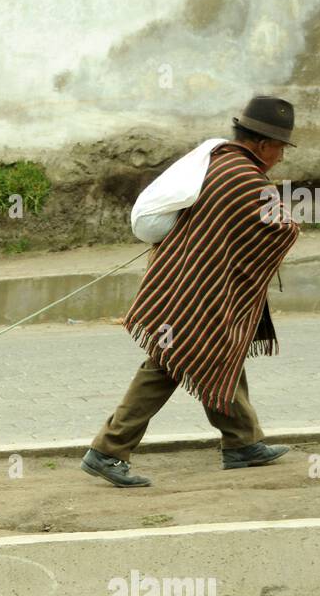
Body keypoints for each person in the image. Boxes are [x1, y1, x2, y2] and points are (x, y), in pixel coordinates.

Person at [82, 95, 301, 488]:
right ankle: (108, 450)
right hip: (193, 292)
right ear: (264, 144)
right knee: (166, 365)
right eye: (281, 148)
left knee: (220, 349)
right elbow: (282, 229)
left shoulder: (218, 161)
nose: (281, 157)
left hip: (183, 282)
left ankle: (242, 442)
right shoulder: (244, 177)